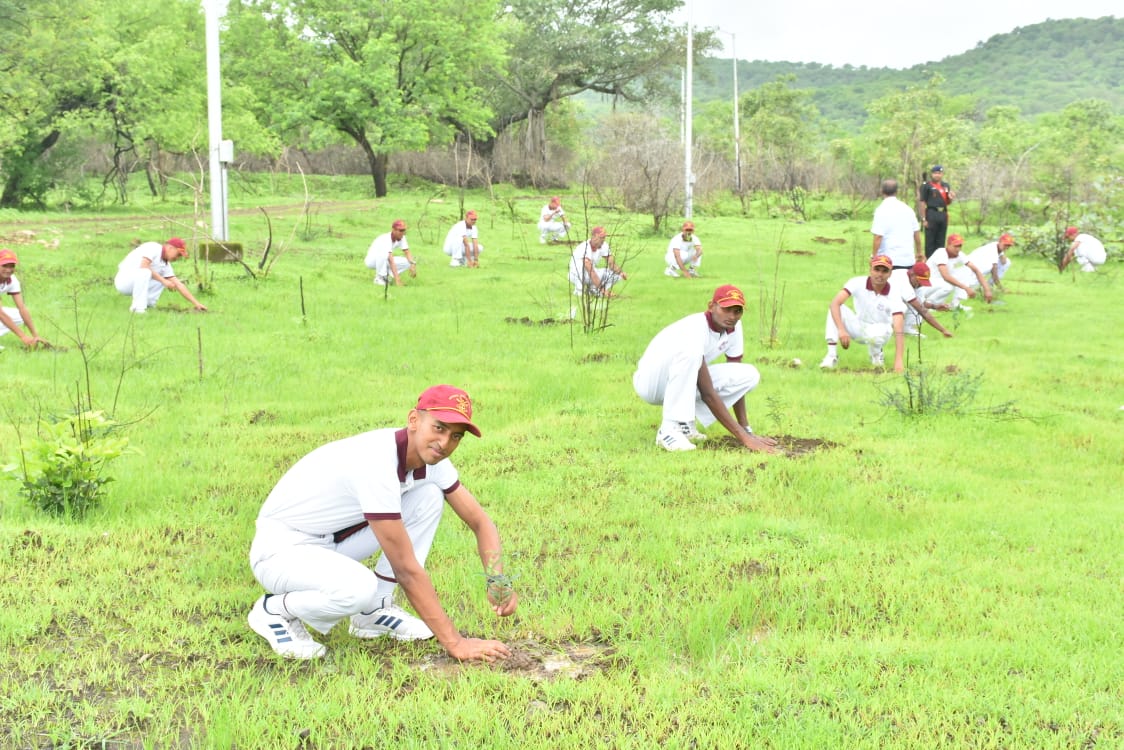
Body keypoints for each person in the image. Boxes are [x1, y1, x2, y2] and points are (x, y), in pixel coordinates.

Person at [247, 384, 518, 662]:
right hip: (281, 551)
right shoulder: (376, 462)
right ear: (414, 420)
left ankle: (373, 612)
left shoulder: (433, 461)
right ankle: (275, 609)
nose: (445, 443)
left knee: (427, 497)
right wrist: (457, 643)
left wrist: (497, 580)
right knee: (357, 588)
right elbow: (407, 570)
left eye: (456, 436)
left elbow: (480, 522)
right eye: (439, 428)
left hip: (327, 544)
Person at [633, 285, 779, 454]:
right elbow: (707, 393)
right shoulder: (695, 328)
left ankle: (684, 423)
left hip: (677, 378)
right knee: (692, 353)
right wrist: (745, 440)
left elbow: (733, 370)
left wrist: (747, 431)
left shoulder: (734, 328)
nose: (732, 316)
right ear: (711, 306)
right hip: (650, 382)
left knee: (748, 375)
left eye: (737, 311)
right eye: (726, 309)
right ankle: (668, 430)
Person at [820, 254, 906, 372]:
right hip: (859, 325)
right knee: (836, 308)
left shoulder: (894, 292)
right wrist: (841, 329)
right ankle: (831, 356)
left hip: (881, 330)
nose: (880, 274)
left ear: (890, 273)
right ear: (870, 269)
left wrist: (899, 360)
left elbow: (899, 327)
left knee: (876, 335)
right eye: (876, 269)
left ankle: (876, 355)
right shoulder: (857, 282)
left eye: (884, 271)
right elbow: (835, 303)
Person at [114, 237, 207, 314]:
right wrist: (164, 281)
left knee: (163, 278)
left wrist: (196, 303)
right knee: (147, 273)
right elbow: (144, 265)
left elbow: (179, 285)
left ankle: (148, 305)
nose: (177, 258)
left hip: (136, 283)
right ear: (170, 248)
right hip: (124, 280)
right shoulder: (153, 247)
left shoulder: (166, 265)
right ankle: (138, 309)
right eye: (178, 254)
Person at [0, 249, 50, 349]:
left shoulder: (12, 280)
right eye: (4, 266)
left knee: (18, 315)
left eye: (12, 266)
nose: (9, 269)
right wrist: (23, 337)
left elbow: (22, 308)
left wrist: (35, 336)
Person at [927, 234, 992, 309]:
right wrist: (966, 288)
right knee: (947, 286)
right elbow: (946, 276)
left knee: (966, 272)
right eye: (955, 246)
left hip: (940, 281)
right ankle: (930, 305)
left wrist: (987, 289)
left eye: (960, 246)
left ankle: (956, 304)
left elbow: (976, 270)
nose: (958, 249)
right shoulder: (941, 253)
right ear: (948, 245)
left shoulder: (959, 254)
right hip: (929, 282)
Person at [872, 179, 922, 271]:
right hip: (908, 260)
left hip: (887, 261)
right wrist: (919, 253)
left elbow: (878, 236)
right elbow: (916, 233)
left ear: (882, 191)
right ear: (897, 192)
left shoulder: (881, 210)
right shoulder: (908, 209)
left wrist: (874, 257)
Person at [895, 262, 954, 338]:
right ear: (912, 274)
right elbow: (922, 310)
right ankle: (899, 329)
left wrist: (935, 306)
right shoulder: (903, 280)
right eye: (919, 281)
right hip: (881, 306)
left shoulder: (916, 283)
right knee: (906, 306)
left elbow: (921, 303)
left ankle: (906, 329)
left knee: (913, 305)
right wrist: (943, 330)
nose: (921, 284)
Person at [569, 226, 628, 297]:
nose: (603, 240)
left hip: (590, 273)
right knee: (580, 295)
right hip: (577, 274)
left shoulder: (604, 245)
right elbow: (590, 271)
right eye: (601, 237)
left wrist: (621, 272)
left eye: (604, 237)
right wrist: (603, 291)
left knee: (616, 275)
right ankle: (581, 289)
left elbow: (611, 264)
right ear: (593, 237)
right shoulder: (584, 248)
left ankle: (594, 290)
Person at [364, 219, 418, 286]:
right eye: (400, 230)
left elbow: (407, 252)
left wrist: (412, 264)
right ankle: (379, 278)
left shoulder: (401, 237)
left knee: (407, 262)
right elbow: (391, 260)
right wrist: (398, 280)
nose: (402, 232)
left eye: (404, 230)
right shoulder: (386, 239)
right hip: (371, 261)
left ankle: (386, 276)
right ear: (393, 230)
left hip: (383, 259)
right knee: (385, 254)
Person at [917, 165, 955, 258]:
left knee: (941, 240)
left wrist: (951, 198)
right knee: (930, 240)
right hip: (931, 213)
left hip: (942, 214)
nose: (937, 175)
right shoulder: (926, 186)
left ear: (942, 174)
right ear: (932, 174)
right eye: (935, 173)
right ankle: (929, 261)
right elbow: (922, 202)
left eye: (939, 173)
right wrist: (923, 218)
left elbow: (947, 202)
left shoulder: (946, 185)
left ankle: (940, 261)